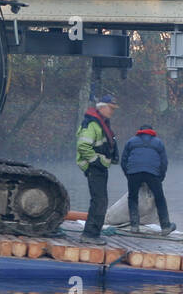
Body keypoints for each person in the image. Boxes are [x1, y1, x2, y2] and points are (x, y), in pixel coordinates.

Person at [75, 94, 118, 241]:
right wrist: (96, 161)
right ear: (102, 107)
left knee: (100, 201)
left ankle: (93, 233)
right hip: (95, 168)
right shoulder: (93, 124)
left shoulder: (101, 123)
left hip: (99, 168)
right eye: (110, 108)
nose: (112, 111)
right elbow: (82, 146)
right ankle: (90, 234)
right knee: (99, 201)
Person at [121, 124, 176, 236]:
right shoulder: (158, 142)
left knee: (132, 197)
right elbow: (164, 163)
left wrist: (129, 175)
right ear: (152, 131)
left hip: (133, 172)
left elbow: (123, 161)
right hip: (152, 173)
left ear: (140, 131)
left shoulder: (131, 141)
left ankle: (134, 226)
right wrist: (160, 178)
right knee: (159, 198)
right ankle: (165, 227)